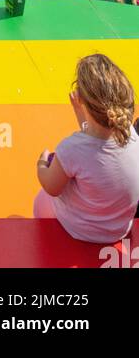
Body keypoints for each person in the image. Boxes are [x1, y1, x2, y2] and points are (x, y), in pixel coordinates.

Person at [33, 54, 139, 243]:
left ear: (80, 97)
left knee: (40, 200)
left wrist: (41, 164)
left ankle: (49, 243)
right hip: (118, 230)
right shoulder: (131, 135)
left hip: (82, 231)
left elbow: (52, 187)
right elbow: (98, 146)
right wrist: (82, 116)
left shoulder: (71, 149)